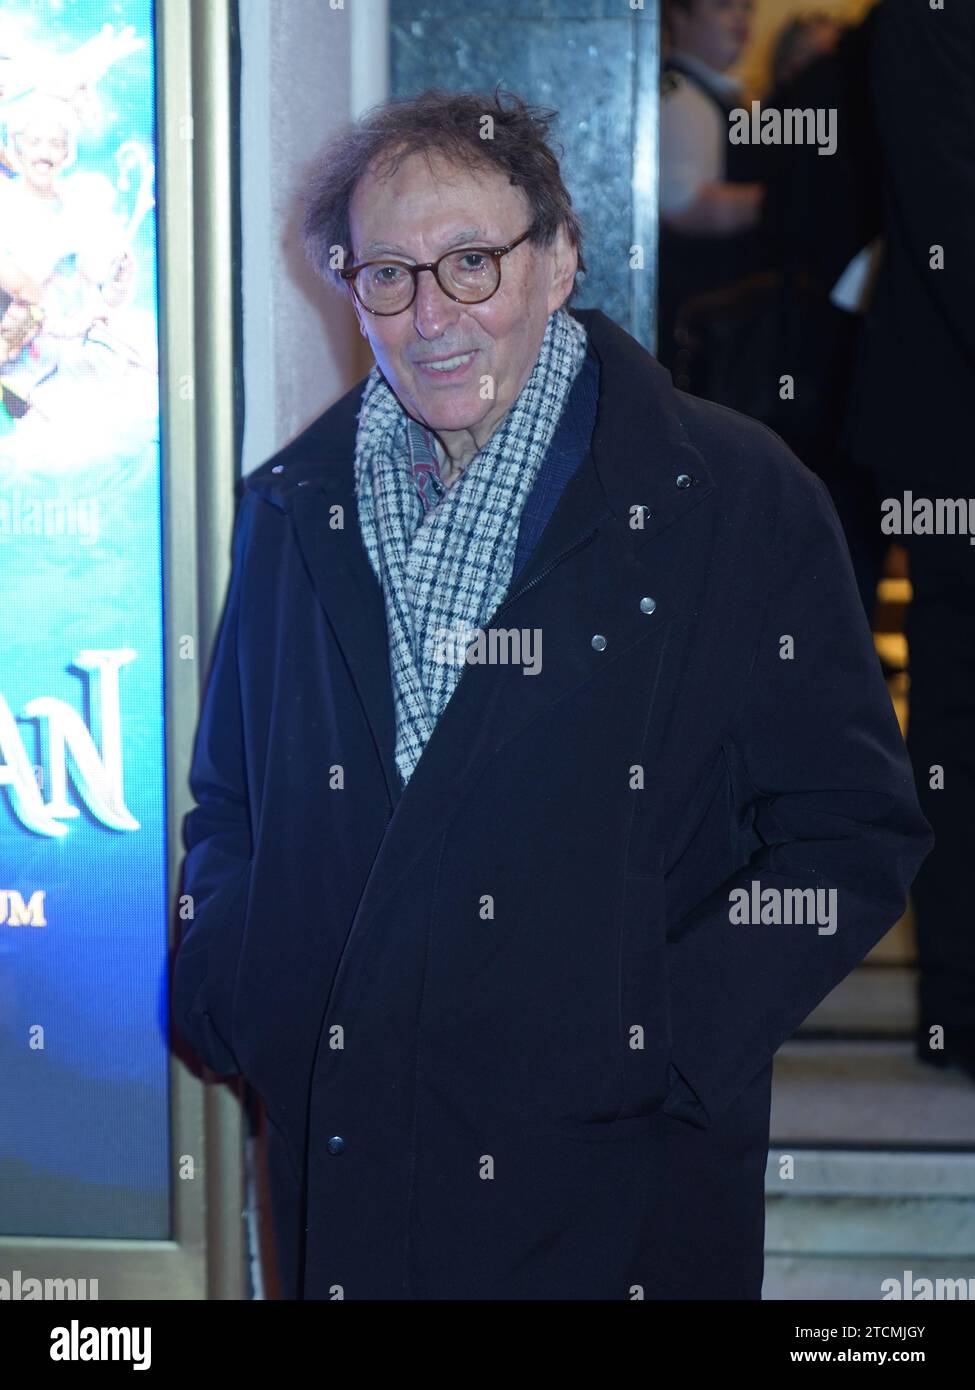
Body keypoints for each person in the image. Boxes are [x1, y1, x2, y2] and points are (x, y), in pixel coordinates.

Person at [171, 88, 933, 1301]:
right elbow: (231, 805)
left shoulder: (732, 498)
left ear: (562, 257)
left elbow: (852, 831)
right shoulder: (291, 507)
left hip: (617, 1187)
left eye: (473, 263)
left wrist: (661, 1040)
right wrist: (244, 986)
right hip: (354, 1158)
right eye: (389, 275)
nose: (432, 318)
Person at [845, 0, 975, 1082]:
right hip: (954, 426)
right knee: (962, 716)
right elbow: (951, 215)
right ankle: (963, 1008)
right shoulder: (925, 21)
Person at [657, 0, 765, 373]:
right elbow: (681, 205)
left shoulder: (711, 92)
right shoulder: (680, 92)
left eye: (746, 7)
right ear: (678, 15)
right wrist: (784, 200)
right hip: (697, 317)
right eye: (723, 5)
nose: (740, 17)